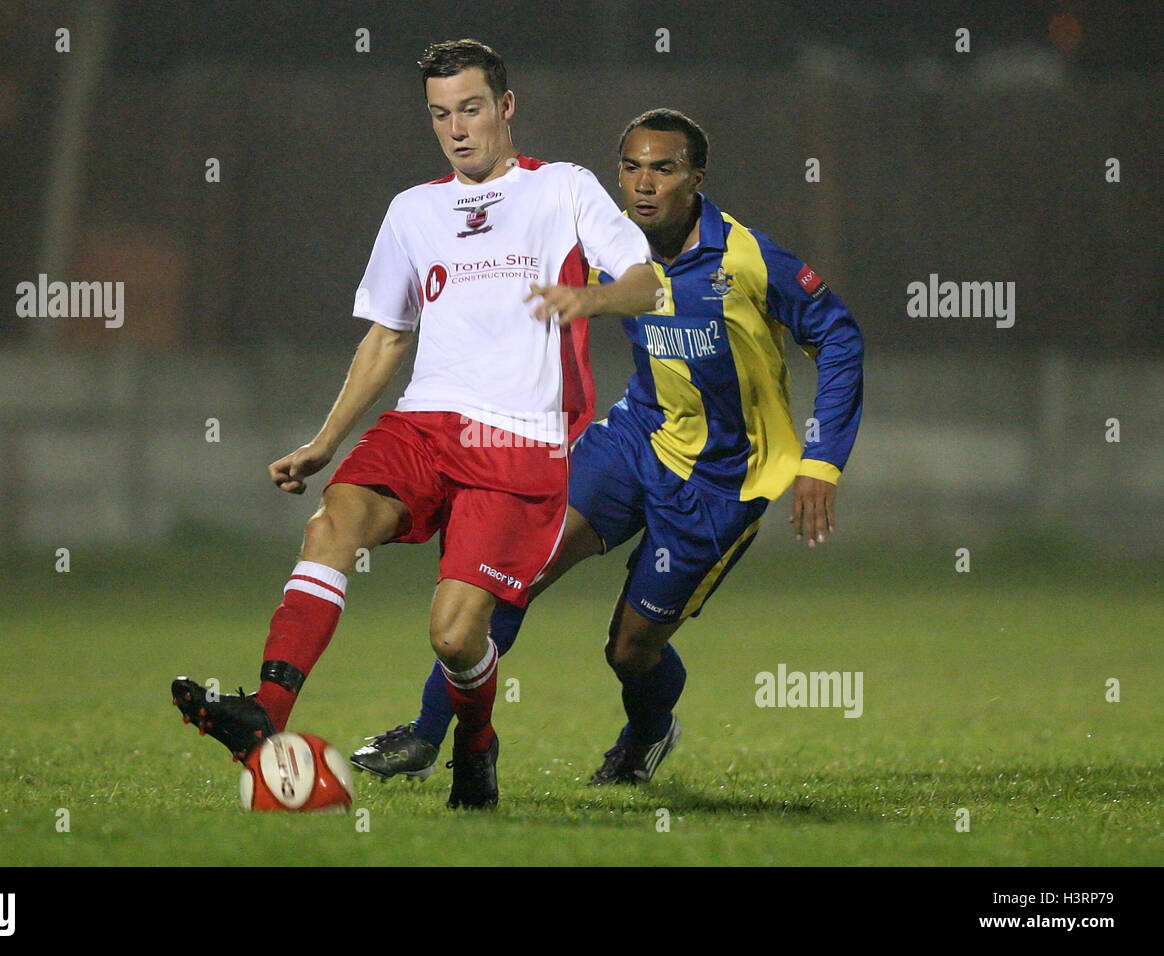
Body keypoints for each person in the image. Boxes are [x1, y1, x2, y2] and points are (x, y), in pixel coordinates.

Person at [170, 39, 659, 810]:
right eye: (440, 115)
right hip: (424, 426)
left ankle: (476, 741)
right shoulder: (412, 211)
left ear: (505, 107)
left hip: (519, 443)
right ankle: (265, 716)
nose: (457, 128)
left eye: (470, 109)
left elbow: (643, 280)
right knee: (335, 520)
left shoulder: (562, 189)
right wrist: (326, 442)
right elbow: (388, 338)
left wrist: (592, 299)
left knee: (455, 637)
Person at [349, 108, 865, 786]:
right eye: (631, 168)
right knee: (513, 572)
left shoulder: (748, 260)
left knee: (629, 651)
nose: (644, 185)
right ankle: (423, 736)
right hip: (631, 444)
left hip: (721, 485)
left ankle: (649, 731)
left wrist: (821, 462)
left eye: (664, 168)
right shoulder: (607, 242)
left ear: (696, 179)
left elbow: (840, 338)